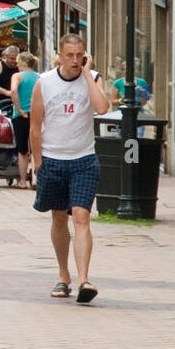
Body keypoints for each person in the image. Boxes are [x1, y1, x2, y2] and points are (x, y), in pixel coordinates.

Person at [31, 33, 110, 304]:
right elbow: (35, 126)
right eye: (70, 55)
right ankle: (63, 276)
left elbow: (102, 108)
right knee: (58, 218)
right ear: (60, 55)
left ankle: (83, 280)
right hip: (53, 159)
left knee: (81, 217)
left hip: (84, 160)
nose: (75, 61)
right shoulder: (45, 82)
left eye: (80, 55)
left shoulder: (93, 78)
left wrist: (88, 75)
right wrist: (37, 163)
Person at [10, 51, 41, 189]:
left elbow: (13, 90)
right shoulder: (40, 77)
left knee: (22, 150)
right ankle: (35, 179)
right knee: (36, 148)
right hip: (37, 114)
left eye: (17, 63)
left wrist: (19, 108)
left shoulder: (17, 76)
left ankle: (22, 181)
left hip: (21, 115)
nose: (16, 65)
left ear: (23, 63)